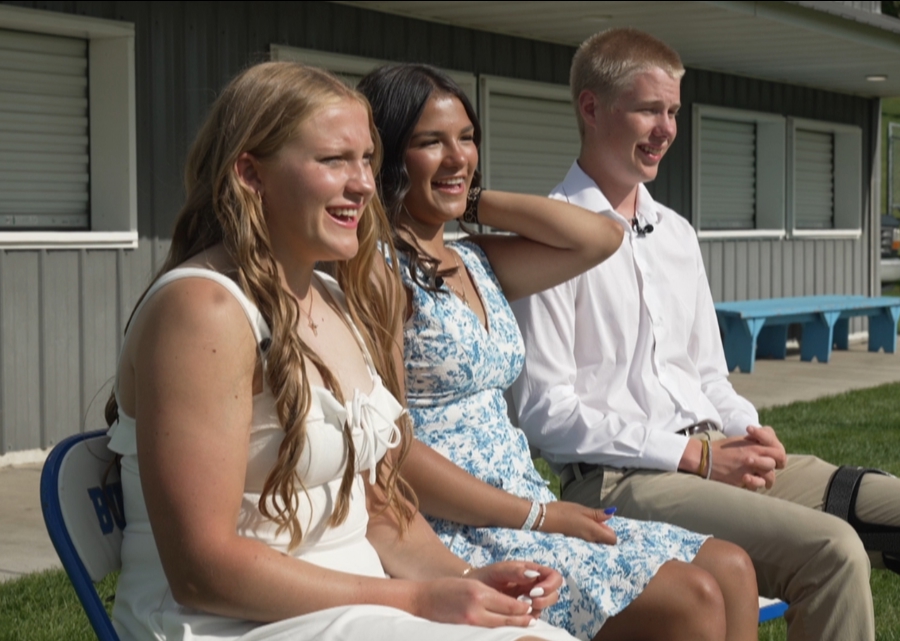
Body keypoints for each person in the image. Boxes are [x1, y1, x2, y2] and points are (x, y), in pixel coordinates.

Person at [509, 28, 900, 641]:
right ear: (591, 107)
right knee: (834, 552)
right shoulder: (549, 238)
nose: (666, 129)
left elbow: (708, 377)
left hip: (716, 452)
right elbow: (546, 413)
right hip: (622, 481)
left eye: (673, 112)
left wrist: (748, 430)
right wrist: (695, 458)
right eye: (649, 110)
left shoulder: (676, 234)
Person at [105, 61, 577, 641]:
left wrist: (467, 579)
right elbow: (202, 570)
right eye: (334, 160)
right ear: (250, 174)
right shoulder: (204, 311)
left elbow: (378, 509)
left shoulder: (332, 297)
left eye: (367, 160)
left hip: (352, 606)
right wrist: (418, 598)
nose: (363, 185)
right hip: (225, 623)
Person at [356, 63, 760, 641]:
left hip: (528, 502)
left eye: (466, 138)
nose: (456, 156)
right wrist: (538, 516)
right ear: (389, 155)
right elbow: (390, 447)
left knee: (733, 569)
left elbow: (599, 236)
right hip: (460, 525)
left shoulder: (474, 260)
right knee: (693, 598)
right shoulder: (377, 272)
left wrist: (469, 197)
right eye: (430, 143)